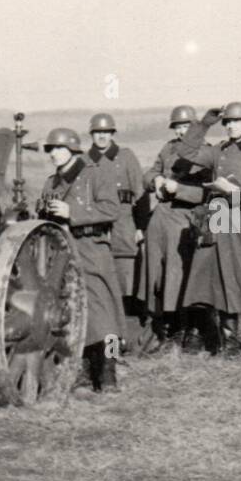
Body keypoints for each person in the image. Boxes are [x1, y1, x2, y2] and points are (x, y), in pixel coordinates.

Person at [171, 102, 241, 362]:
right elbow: (185, 153)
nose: (230, 125)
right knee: (223, 280)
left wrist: (237, 193)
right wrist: (204, 124)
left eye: (236, 121)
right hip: (219, 223)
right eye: (227, 122)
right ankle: (229, 341)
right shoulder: (218, 152)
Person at [38, 127, 126, 393]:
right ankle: (85, 371)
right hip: (63, 250)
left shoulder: (94, 175)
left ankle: (109, 372)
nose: (54, 154)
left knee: (106, 317)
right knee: (75, 312)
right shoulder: (51, 182)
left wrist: (72, 211)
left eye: (59, 148)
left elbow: (112, 209)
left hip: (92, 247)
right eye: (50, 149)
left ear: (74, 149)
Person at [138, 105, 216, 351]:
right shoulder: (169, 148)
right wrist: (155, 180)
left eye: (187, 127)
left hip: (184, 217)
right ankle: (156, 326)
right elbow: (149, 173)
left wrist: (179, 190)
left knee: (176, 273)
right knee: (153, 272)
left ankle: (178, 329)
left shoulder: (208, 153)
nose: (182, 131)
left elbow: (208, 192)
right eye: (179, 127)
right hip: (159, 216)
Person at [86, 113, 147, 352]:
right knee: (100, 289)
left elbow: (141, 195)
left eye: (107, 132)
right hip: (96, 230)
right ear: (92, 134)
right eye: (98, 132)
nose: (102, 136)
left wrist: (141, 228)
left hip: (124, 227)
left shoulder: (126, 157)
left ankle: (127, 343)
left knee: (126, 287)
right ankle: (102, 345)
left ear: (113, 134)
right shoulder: (84, 160)